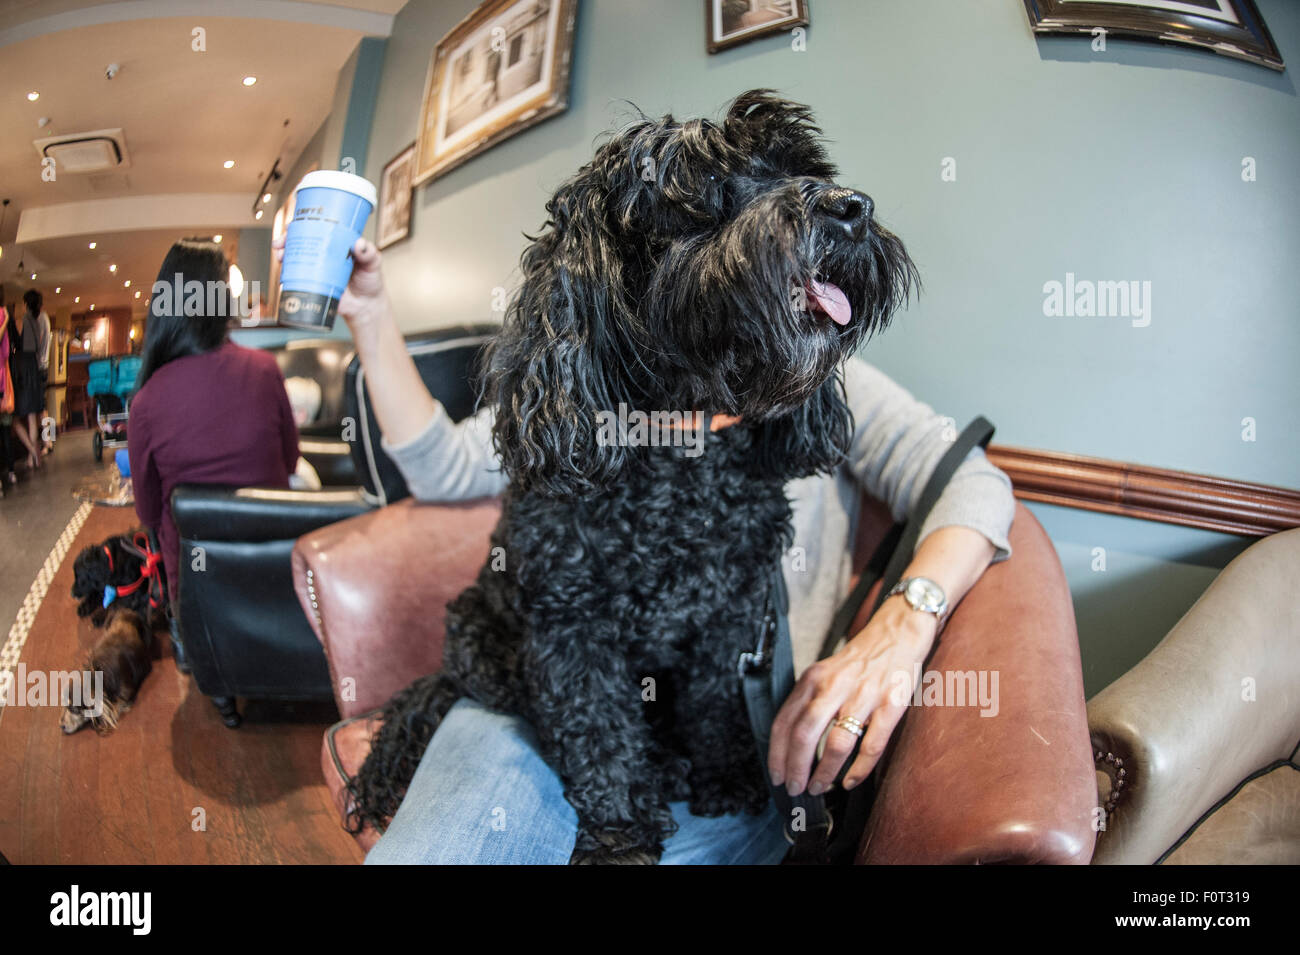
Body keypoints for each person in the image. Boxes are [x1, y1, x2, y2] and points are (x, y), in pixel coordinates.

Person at [279, 234, 1017, 865]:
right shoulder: (594, 385)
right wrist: (370, 313)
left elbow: (973, 486)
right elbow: (442, 465)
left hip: (728, 741)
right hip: (544, 706)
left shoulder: (815, 369)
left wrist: (904, 621)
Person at [128, 238, 299, 605]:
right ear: (222, 301)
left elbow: (148, 512)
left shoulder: (144, 404)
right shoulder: (266, 370)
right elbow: (291, 462)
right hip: (274, 576)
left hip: (197, 593)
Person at [8, 290, 46, 471]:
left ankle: (33, 451)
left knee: (15, 420)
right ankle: (32, 459)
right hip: (33, 369)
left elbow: (15, 344)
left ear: (25, 304)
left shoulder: (22, 321)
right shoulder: (38, 322)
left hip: (22, 371)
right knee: (32, 418)